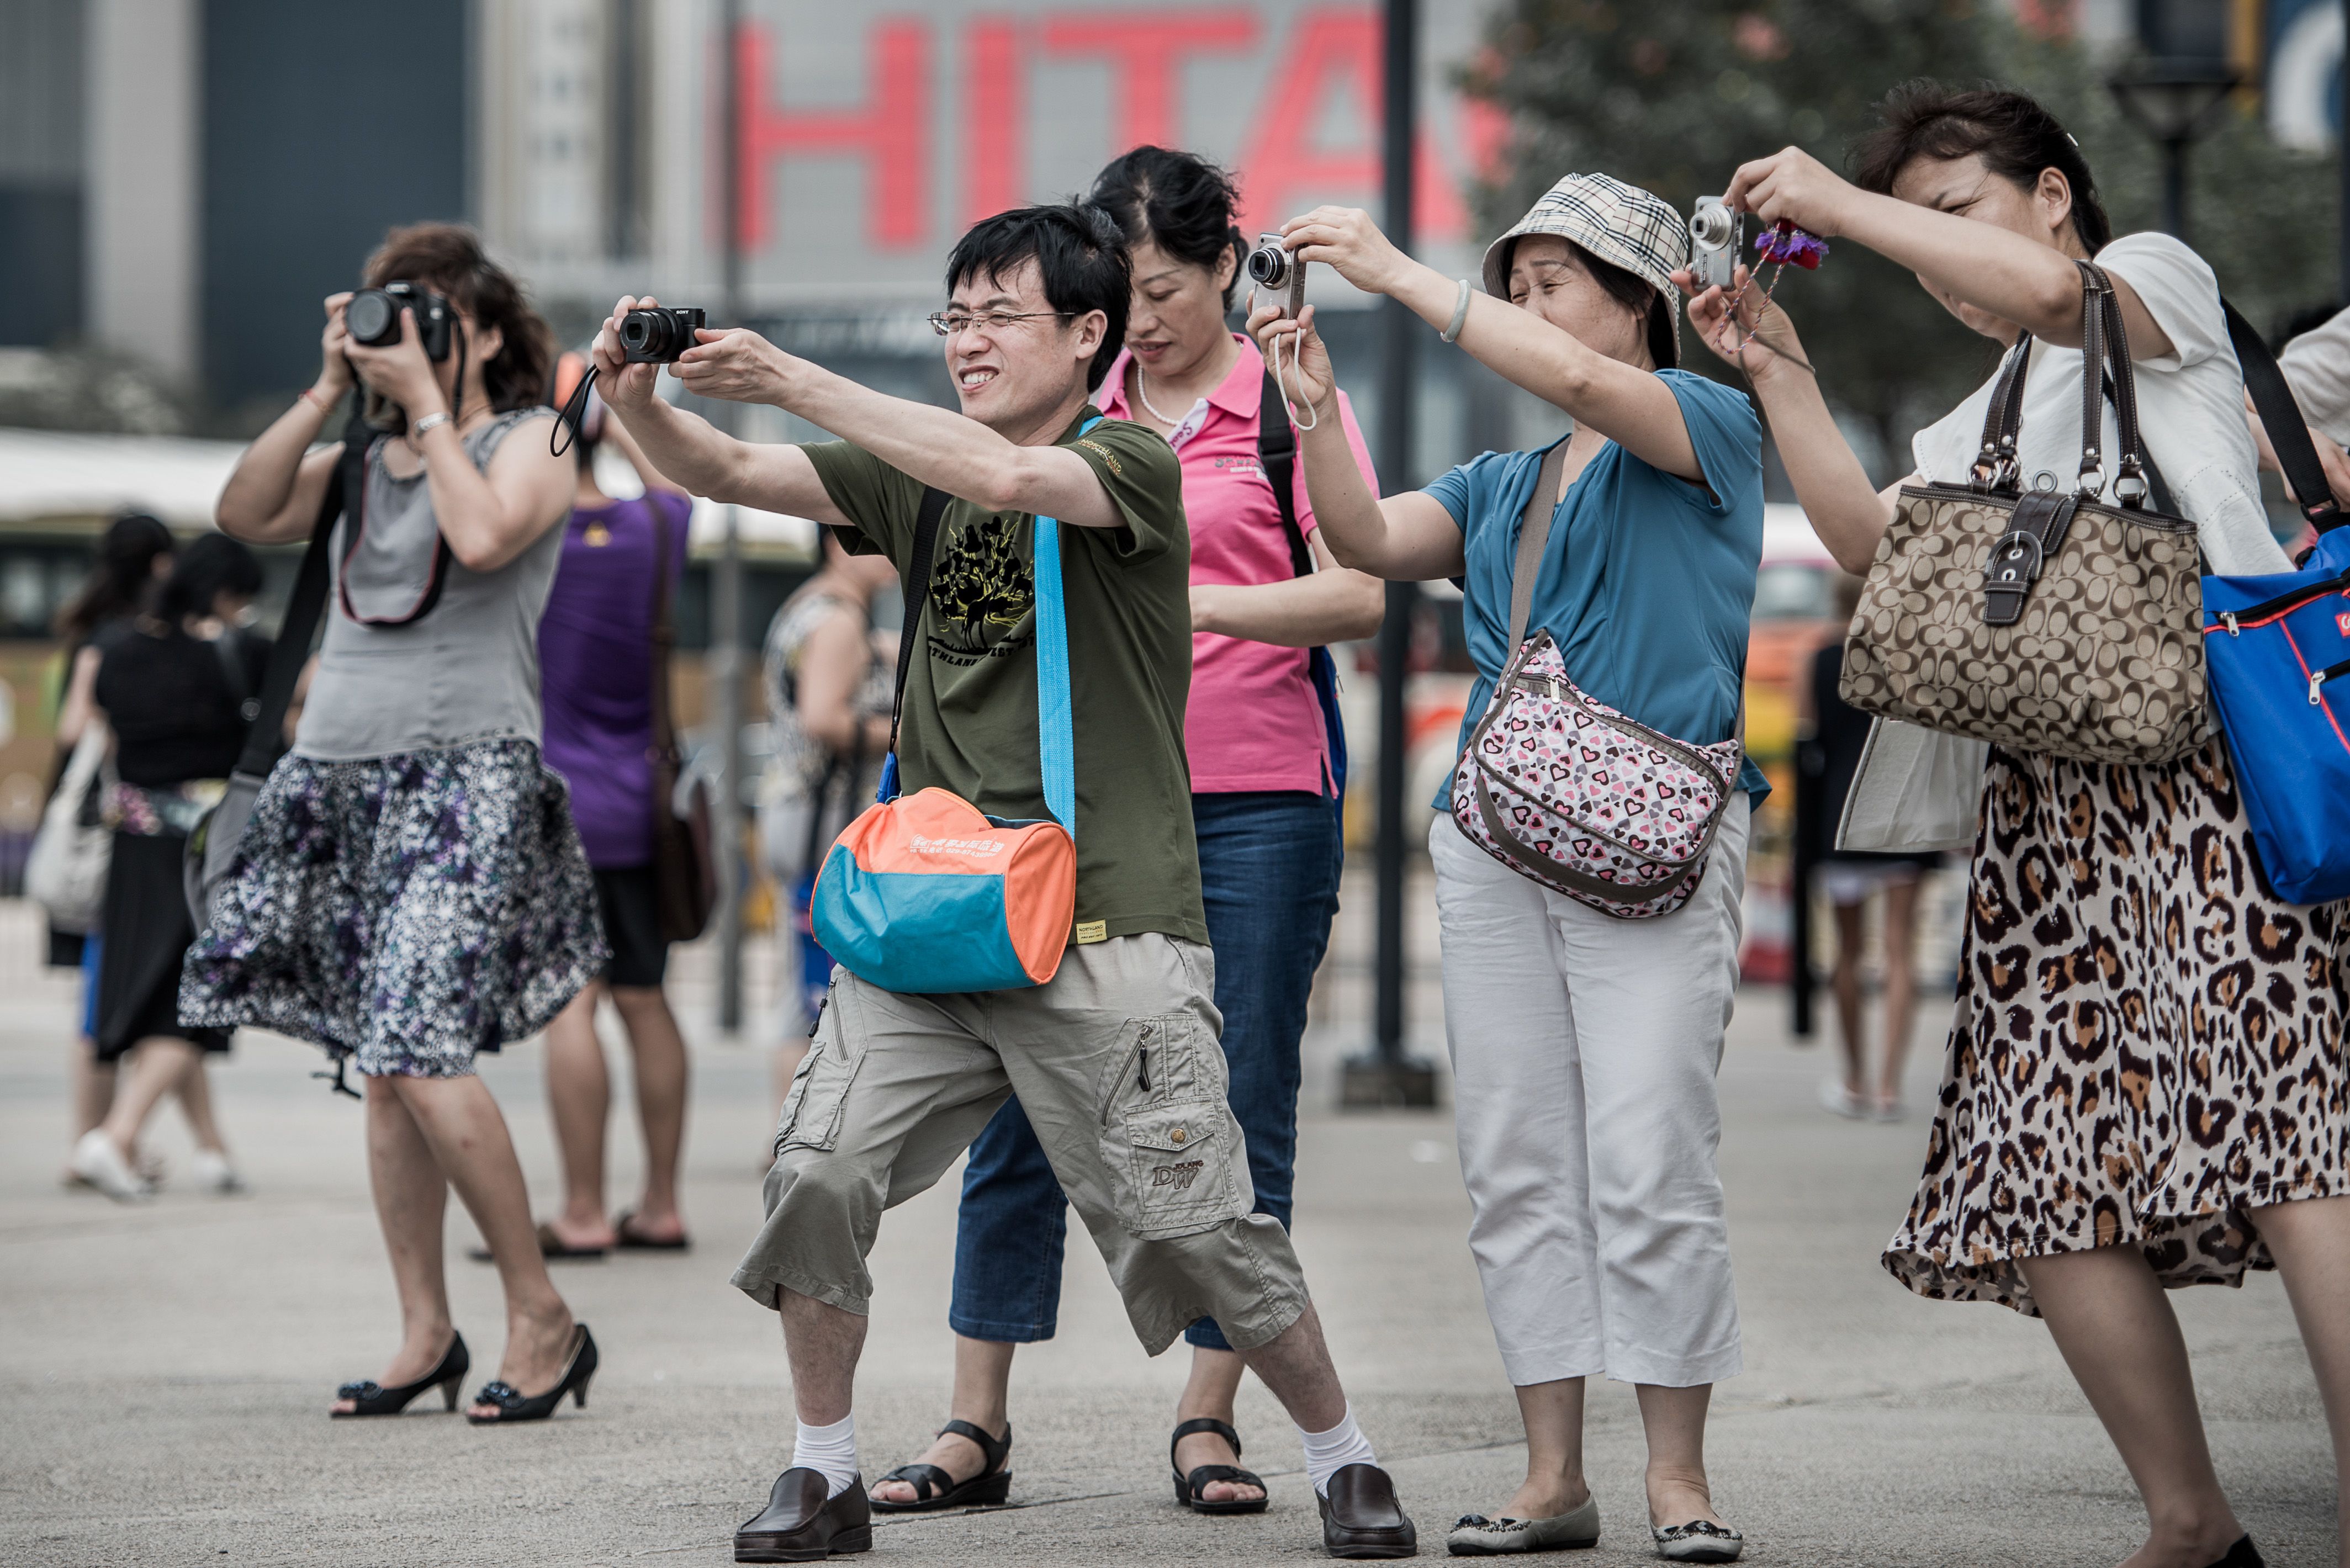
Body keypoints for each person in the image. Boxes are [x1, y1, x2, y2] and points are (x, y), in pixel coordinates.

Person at [595, 200, 1418, 1562]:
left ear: (1089, 334)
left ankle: (1344, 1453)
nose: (968, 341)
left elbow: (1018, 485)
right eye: (955, 316)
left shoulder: (1134, 460)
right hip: (935, 913)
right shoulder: (907, 467)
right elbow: (733, 472)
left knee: (1203, 1217)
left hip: (1104, 914)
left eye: (999, 317)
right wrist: (637, 399)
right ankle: (823, 1468)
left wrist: (792, 369)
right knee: (816, 1170)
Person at [1689, 82, 2350, 1568]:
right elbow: (1877, 552)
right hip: (2046, 824)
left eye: (1955, 218)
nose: (1934, 260)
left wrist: (1842, 204)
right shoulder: (1976, 413)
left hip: (2207, 782)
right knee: (2042, 1176)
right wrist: (1779, 371)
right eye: (1916, 236)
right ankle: (2191, 1523)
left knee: (2296, 1151)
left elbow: (2057, 294)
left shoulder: (2143, 283)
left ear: (2055, 193)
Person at [1250, 171, 1767, 1562]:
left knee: (1653, 1149)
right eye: (1519, 280)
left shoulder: (1704, 423)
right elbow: (1362, 541)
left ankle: (1680, 1473)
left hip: (1657, 838)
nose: (1530, 306)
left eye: (1556, 281)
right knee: (1517, 1158)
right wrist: (1310, 403)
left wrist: (1409, 275)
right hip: (1498, 839)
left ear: (1639, 299)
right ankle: (1553, 1473)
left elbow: (1577, 383)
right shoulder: (1502, 482)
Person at [866, 146, 1386, 1521]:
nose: (1144, 317)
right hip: (1067, 813)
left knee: (1234, 1103)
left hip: (1254, 802)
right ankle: (977, 1417)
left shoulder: (1282, 403)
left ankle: (1211, 1411)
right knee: (1016, 1106)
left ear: (1227, 268)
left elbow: (1362, 592)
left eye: (1166, 287)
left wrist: (1186, 609)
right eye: (1123, 293)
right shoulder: (1056, 413)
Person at [187, 222, 605, 1425]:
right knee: (383, 1073)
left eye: (423, 314)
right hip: (338, 779)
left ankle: (543, 1314)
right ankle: (426, 1328)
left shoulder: (532, 440)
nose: (399, 334)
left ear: (478, 328)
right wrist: (330, 387)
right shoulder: (362, 465)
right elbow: (242, 506)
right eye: (385, 313)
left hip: (466, 775)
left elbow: (480, 537)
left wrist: (428, 403)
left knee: (419, 1046)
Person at [528, 357, 696, 1256]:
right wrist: (615, 400)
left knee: (572, 1006)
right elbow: (675, 479)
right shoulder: (655, 530)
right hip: (641, 804)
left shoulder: (528, 539)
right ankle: (661, 1204)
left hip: (552, 807)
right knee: (645, 998)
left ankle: (584, 1211)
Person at [65, 533, 264, 1202]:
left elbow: (89, 727)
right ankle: (115, 1137)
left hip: (133, 844)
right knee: (190, 1003)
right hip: (202, 852)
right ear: (223, 592)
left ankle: (207, 1148)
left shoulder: (116, 647)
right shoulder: (232, 655)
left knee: (152, 996)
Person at [757, 529, 897, 1130]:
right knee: (815, 988)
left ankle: (792, 1127)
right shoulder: (839, 619)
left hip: (792, 808)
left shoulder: (807, 606)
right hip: (825, 818)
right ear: (839, 546)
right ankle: (796, 1130)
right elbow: (823, 717)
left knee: (802, 979)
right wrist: (900, 734)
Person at [49, 512, 174, 1185]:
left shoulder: (93, 625)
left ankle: (110, 1139)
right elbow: (79, 723)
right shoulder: (126, 636)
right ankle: (93, 1142)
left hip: (96, 821)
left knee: (119, 989)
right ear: (159, 563)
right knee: (109, 993)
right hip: (113, 827)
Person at [1802, 573, 1939, 1123]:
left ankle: (1855, 1078)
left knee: (1846, 951)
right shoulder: (1908, 653)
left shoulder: (1819, 658)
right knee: (1900, 947)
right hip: (1903, 810)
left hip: (1842, 816)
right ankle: (1887, 1086)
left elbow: (1807, 737)